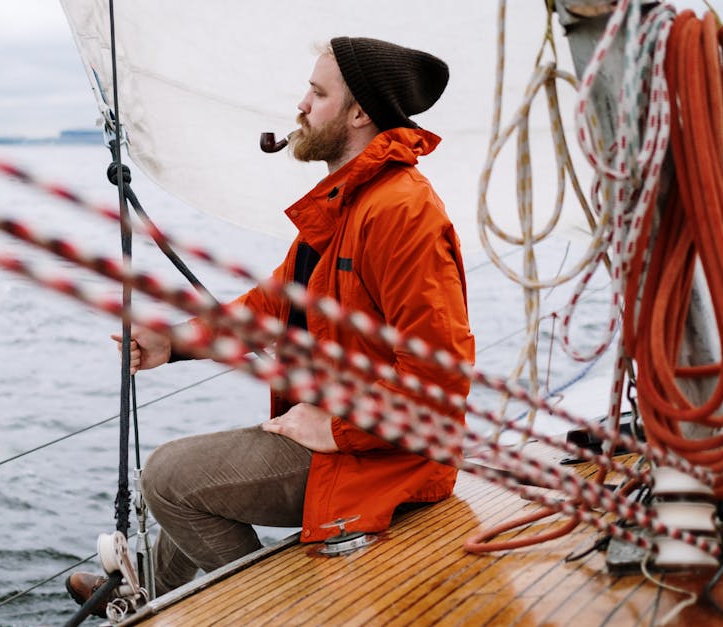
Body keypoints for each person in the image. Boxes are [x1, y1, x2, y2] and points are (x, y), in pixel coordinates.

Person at [67, 36, 475, 616]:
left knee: (168, 478)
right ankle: (154, 604)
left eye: (317, 92)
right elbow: (270, 307)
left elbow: (440, 384)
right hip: (349, 441)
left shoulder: (402, 213)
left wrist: (336, 426)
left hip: (384, 459)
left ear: (359, 114)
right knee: (188, 511)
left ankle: (281, 609)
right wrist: (175, 342)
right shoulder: (344, 204)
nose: (301, 105)